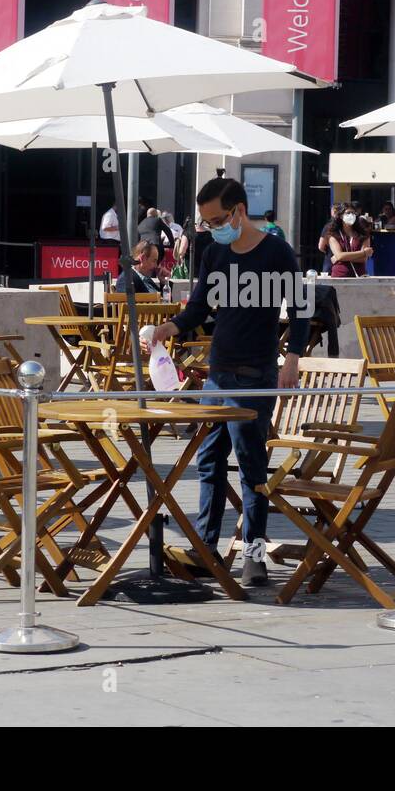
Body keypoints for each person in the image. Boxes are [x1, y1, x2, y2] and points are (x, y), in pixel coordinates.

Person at [148, 176, 308, 587]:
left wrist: (292, 358)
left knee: (252, 465)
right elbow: (199, 307)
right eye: (205, 223)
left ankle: (254, 553)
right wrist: (170, 326)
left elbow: (302, 309)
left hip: (256, 373)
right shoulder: (215, 252)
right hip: (218, 371)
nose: (212, 228)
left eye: (217, 219)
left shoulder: (277, 251)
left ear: (238, 211)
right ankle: (207, 546)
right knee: (208, 460)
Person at [328, 204, 373, 277]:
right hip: (339, 276)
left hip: (359, 276)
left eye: (353, 213)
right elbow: (339, 256)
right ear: (341, 216)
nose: (351, 215)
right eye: (348, 213)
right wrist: (363, 252)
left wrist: (341, 258)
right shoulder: (334, 236)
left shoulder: (363, 235)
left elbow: (363, 259)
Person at [316, 202, 341, 274]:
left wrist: (329, 251)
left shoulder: (328, 227)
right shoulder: (346, 227)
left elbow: (320, 246)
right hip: (344, 262)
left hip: (330, 260)